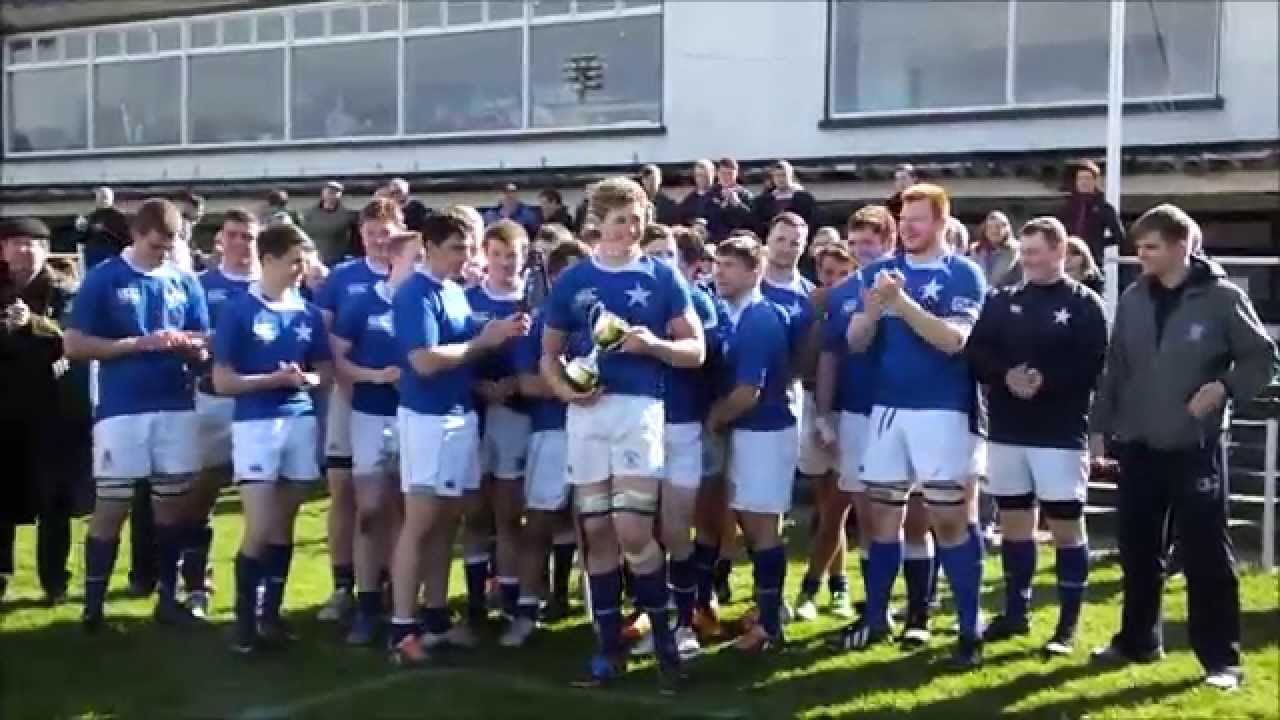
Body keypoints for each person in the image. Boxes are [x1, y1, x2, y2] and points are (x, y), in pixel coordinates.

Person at [1088, 203, 1277, 691]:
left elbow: (1262, 357)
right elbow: (1116, 367)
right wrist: (1098, 428)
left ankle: (1221, 660)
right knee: (1136, 548)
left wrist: (1225, 387)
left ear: (1181, 246)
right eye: (1139, 247)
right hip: (1138, 442)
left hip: (1195, 445)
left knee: (1206, 553)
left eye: (1151, 247)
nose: (1142, 256)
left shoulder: (1223, 298)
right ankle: (1137, 640)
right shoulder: (1132, 298)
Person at [539, 176, 704, 691]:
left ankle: (664, 642)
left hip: (639, 411)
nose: (630, 230)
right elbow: (548, 356)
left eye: (636, 219)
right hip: (588, 414)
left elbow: (695, 349)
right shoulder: (573, 280)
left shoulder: (662, 276)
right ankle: (609, 650)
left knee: (634, 529)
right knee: (596, 533)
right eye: (620, 221)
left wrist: (654, 344)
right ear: (597, 224)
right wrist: (568, 392)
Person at [839, 184, 988, 668]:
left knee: (948, 519)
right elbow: (857, 343)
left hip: (942, 410)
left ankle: (969, 627)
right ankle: (877, 617)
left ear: (941, 223)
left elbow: (953, 342)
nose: (907, 228)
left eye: (918, 219)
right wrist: (871, 311)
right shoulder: (881, 272)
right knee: (881, 519)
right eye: (903, 220)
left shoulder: (963, 273)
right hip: (886, 408)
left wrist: (900, 305)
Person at [387, 209, 529, 665]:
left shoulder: (452, 290)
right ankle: (402, 626)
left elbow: (466, 345)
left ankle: (433, 616)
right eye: (456, 248)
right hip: (427, 418)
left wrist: (499, 334)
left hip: (458, 416)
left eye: (468, 248)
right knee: (421, 521)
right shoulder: (415, 293)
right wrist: (482, 343)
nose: (465, 257)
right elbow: (425, 361)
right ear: (429, 247)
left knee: (447, 523)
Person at [65, 198, 212, 632]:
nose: (163, 253)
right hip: (123, 408)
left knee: (172, 507)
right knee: (113, 504)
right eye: (156, 245)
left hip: (176, 404)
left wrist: (193, 348)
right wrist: (136, 344)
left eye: (170, 245)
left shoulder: (184, 281)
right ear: (136, 235)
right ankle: (92, 608)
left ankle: (167, 597)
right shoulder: (105, 278)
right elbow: (74, 344)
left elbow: (204, 343)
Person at [965, 217, 1107, 656]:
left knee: (1066, 526)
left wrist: (1044, 381)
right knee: (1014, 526)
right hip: (1008, 430)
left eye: (1035, 253)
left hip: (1059, 433)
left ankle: (1066, 625)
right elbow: (976, 351)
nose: (1026, 261)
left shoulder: (1084, 304)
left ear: (1059, 252)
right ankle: (1015, 612)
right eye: (1023, 253)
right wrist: (1004, 375)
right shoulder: (1002, 299)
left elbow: (1094, 364)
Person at [213, 222, 333, 654]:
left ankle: (270, 616)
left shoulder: (308, 312)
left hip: (300, 422)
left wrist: (307, 378)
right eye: (293, 262)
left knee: (284, 526)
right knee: (260, 526)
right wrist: (271, 380)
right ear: (267, 260)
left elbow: (325, 371)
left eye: (303, 261)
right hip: (257, 425)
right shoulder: (239, 310)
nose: (301, 270)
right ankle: (243, 623)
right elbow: (222, 380)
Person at [330, 230, 423, 646]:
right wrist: (373, 377)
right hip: (371, 414)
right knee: (369, 509)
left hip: (417, 417)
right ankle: (366, 604)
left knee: (409, 512)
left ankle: (402, 600)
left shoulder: (429, 300)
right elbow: (336, 357)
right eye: (414, 259)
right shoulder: (364, 302)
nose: (420, 267)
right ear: (393, 260)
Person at [707, 234, 796, 653]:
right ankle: (767, 615)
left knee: (762, 528)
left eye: (728, 266)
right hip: (752, 431)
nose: (717, 273)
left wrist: (714, 420)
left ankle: (771, 624)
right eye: (716, 264)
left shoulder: (760, 318)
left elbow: (748, 392)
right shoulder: (735, 313)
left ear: (753, 270)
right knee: (751, 522)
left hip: (765, 431)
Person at [637, 224, 722, 660]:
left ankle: (684, 620)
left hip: (683, 425)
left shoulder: (698, 301)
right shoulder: (628, 299)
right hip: (636, 423)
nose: (662, 262)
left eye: (669, 253)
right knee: (640, 526)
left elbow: (703, 359)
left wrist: (653, 343)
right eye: (653, 254)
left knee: (675, 525)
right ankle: (655, 614)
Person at [502, 239, 593, 647]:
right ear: (554, 276)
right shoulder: (539, 322)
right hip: (553, 430)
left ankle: (601, 612)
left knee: (599, 521)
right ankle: (525, 608)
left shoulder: (604, 321)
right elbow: (526, 383)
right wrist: (572, 389)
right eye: (567, 273)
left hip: (596, 428)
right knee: (538, 520)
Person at [313, 198, 398, 624]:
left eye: (387, 232)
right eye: (372, 232)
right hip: (350, 398)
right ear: (361, 234)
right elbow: (327, 339)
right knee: (346, 492)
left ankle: (389, 581)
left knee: (395, 497)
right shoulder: (343, 277)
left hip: (400, 405)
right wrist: (345, 384)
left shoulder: (412, 277)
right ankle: (344, 584)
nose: (380, 240)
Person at [816, 206, 897, 638]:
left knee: (902, 513)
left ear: (888, 241)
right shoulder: (842, 293)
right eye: (856, 241)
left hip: (898, 410)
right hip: (854, 413)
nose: (863, 249)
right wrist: (824, 413)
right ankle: (875, 605)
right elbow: (830, 355)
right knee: (864, 512)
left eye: (871, 241)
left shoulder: (903, 282)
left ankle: (911, 604)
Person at [0, 217, 83, 606]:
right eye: (16, 243)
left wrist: (31, 323)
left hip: (51, 407)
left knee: (54, 501)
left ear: (46, 249)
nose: (25, 250)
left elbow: (73, 337)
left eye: (34, 243)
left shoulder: (64, 291)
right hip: (4, 407)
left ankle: (55, 580)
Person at [186, 208, 261, 620]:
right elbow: (188, 336)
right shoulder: (201, 285)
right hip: (213, 400)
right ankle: (197, 582)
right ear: (220, 241)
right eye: (233, 235)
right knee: (203, 493)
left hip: (261, 404)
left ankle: (259, 592)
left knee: (262, 499)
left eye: (247, 236)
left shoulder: (271, 285)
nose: (239, 243)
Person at [465, 220, 533, 627]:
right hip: (471, 412)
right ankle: (475, 601)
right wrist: (476, 383)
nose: (506, 263)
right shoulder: (466, 298)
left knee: (509, 512)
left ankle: (509, 600)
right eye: (499, 255)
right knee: (474, 512)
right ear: (485, 256)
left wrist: (512, 385)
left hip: (515, 412)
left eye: (514, 255)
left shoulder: (532, 303)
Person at [793, 241, 855, 623]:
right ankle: (839, 586)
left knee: (837, 507)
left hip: (854, 412)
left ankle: (810, 587)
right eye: (827, 273)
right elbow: (801, 364)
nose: (832, 281)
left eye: (841, 274)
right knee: (826, 506)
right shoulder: (810, 309)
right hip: (816, 407)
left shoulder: (859, 306)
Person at [1060, 160, 1124, 274]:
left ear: (1095, 181)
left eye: (1088, 178)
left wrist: (1098, 243)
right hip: (1068, 264)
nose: (1084, 182)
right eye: (1080, 178)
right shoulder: (1067, 206)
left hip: (1093, 264)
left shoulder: (1104, 207)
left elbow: (1119, 236)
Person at [303, 181, 359, 268]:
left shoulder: (348, 216)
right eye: (328, 191)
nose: (331, 194)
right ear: (323, 193)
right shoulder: (309, 214)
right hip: (312, 260)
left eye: (335, 191)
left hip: (336, 261)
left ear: (340, 195)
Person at [752, 160, 818, 233]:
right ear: (772, 178)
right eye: (777, 175)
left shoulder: (805, 198)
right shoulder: (762, 200)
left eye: (784, 175)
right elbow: (757, 223)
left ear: (791, 176)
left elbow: (813, 222)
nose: (780, 179)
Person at [79, 186, 131, 271]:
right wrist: (81, 229)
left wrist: (106, 230)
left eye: (105, 197)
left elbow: (127, 239)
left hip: (112, 254)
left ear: (111, 198)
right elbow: (82, 238)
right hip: (93, 255)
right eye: (100, 197)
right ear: (96, 199)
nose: (103, 199)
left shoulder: (120, 217)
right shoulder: (91, 217)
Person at [705, 158, 755, 242]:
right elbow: (706, 218)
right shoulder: (710, 194)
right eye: (723, 173)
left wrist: (738, 204)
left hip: (738, 240)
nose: (726, 177)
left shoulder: (745, 195)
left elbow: (753, 221)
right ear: (718, 174)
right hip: (715, 240)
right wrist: (722, 206)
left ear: (736, 174)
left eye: (730, 174)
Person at [971, 211, 1021, 288]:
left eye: (998, 227)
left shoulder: (1017, 250)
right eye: (989, 227)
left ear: (1006, 229)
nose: (993, 231)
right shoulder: (976, 249)